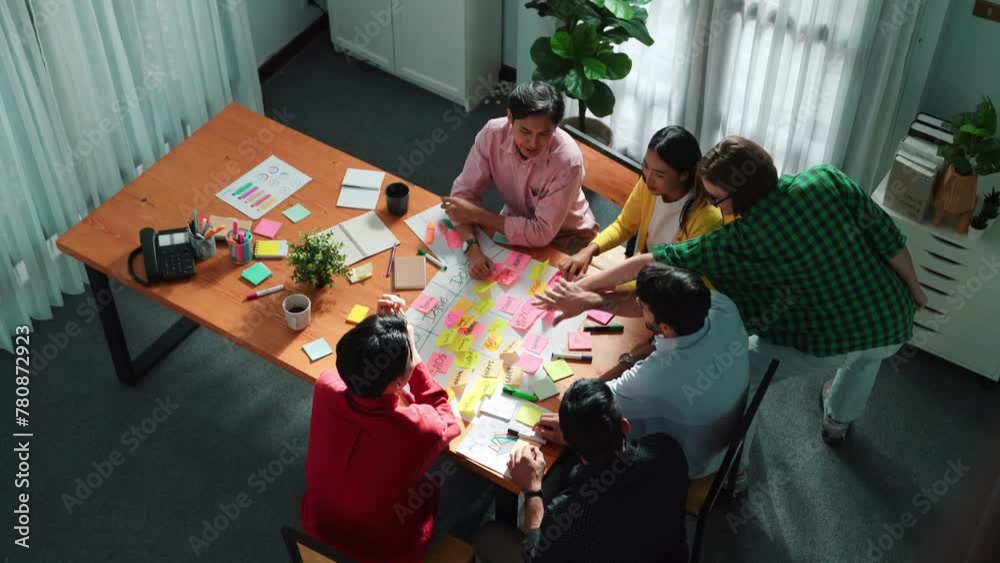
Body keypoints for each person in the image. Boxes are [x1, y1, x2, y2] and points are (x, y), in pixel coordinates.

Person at [534, 137, 926, 456]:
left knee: (743, 380)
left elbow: (650, 263)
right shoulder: (826, 179)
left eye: (717, 198)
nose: (716, 207)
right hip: (890, 317)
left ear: (739, 195)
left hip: (824, 338)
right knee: (866, 359)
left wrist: (579, 291)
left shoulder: (733, 242)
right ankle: (839, 422)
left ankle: (733, 474)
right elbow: (889, 241)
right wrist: (915, 290)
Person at [535, 263, 748, 480]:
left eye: (643, 306)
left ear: (665, 327)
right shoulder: (723, 306)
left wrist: (628, 361)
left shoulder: (659, 376)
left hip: (688, 461)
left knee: (590, 439)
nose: (637, 303)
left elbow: (592, 402)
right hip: (725, 437)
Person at [300, 295, 460, 562]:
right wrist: (415, 357)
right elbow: (447, 417)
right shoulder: (419, 429)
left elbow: (350, 369)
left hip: (317, 529)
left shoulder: (325, 385)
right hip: (385, 552)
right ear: (398, 384)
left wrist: (374, 336)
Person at [474, 379, 690, 563]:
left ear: (567, 439)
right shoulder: (667, 450)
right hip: (667, 553)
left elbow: (535, 553)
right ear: (624, 426)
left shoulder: (567, 513)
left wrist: (532, 489)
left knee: (489, 536)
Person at [442, 81, 598, 279]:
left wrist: (477, 215)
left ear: (556, 127)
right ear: (509, 118)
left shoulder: (568, 161)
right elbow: (462, 199)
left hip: (570, 237)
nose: (533, 143)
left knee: (551, 302)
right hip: (517, 220)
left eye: (544, 134)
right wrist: (472, 250)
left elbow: (541, 233)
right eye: (525, 131)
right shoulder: (492, 134)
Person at [561, 126, 723, 280]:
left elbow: (676, 279)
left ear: (684, 175)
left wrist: (604, 283)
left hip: (670, 287)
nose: (648, 178)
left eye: (659, 175)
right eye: (645, 166)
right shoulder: (649, 185)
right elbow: (624, 226)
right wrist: (589, 250)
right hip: (645, 270)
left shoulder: (707, 218)